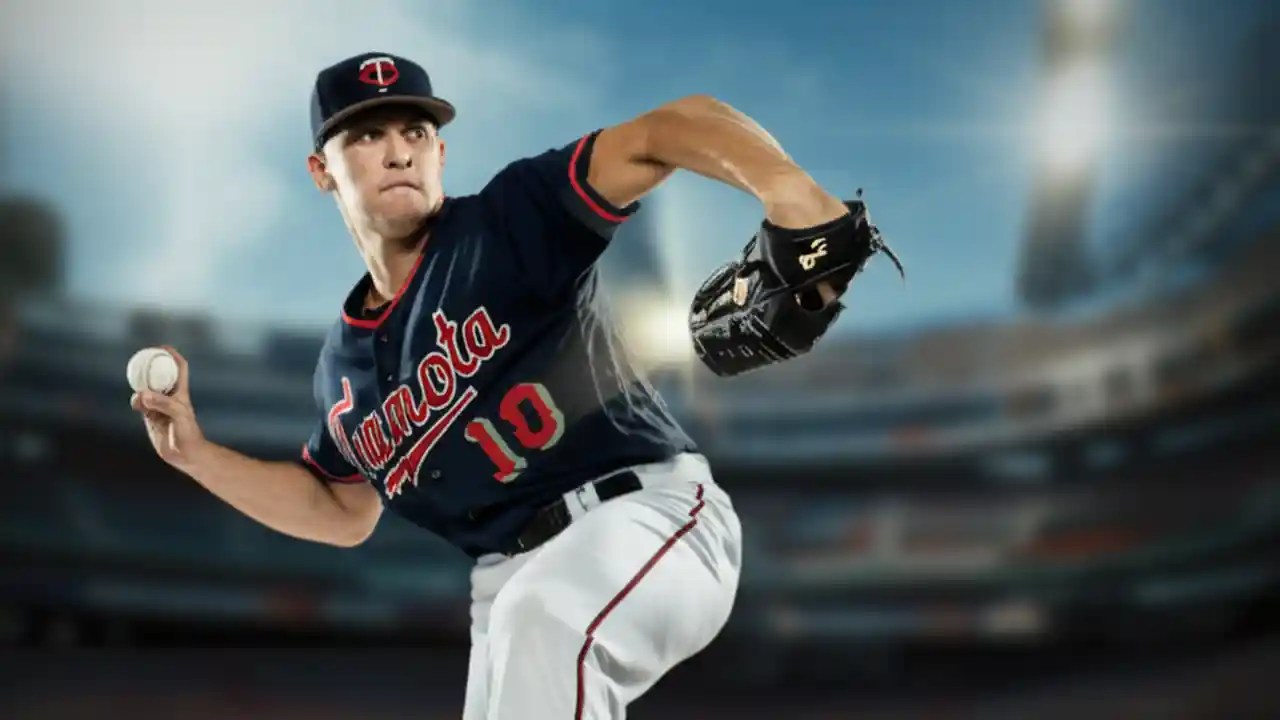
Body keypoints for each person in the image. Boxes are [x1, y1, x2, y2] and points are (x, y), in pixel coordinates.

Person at [130, 51, 854, 719]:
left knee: (544, 617)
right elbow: (341, 509)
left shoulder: (510, 223)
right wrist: (196, 456)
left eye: (415, 131)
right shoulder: (340, 370)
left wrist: (789, 190)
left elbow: (668, 128)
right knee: (529, 618)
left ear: (440, 153)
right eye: (368, 135)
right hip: (506, 584)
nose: (398, 150)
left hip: (648, 518)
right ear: (322, 170)